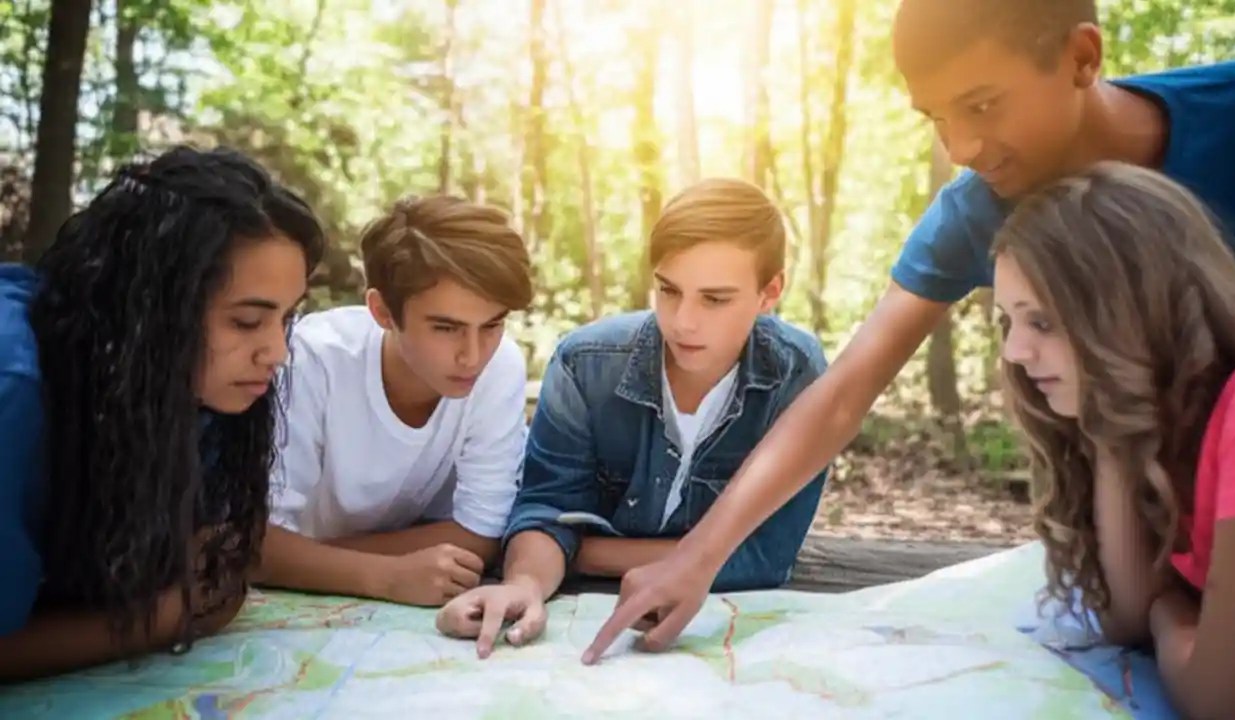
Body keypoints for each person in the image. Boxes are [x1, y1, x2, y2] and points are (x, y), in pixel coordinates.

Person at [583, 0, 1235, 663]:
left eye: (981, 105)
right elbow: (842, 395)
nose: (962, 147)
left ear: (1081, 56)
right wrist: (695, 557)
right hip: (1181, 549)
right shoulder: (977, 210)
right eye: (935, 119)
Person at [435, 178, 829, 657]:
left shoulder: (797, 372)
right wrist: (524, 583)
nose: (683, 320)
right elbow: (544, 508)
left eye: (715, 299)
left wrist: (577, 551)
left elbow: (766, 556)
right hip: (580, 615)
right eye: (668, 290)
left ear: (769, 293)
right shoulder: (586, 363)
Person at [0, 146, 325, 680]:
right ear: (149, 306)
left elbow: (212, 560)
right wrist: (163, 619)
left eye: (286, 319)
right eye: (246, 322)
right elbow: (196, 594)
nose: (278, 352)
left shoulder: (188, 388)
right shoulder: (16, 390)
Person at [993, 163, 1235, 718]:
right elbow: (1125, 615)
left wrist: (1167, 611)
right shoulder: (1185, 420)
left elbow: (1231, 702)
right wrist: (1112, 424)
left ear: (1131, 312)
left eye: (1043, 322)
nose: (1015, 353)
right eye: (1009, 322)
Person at [252, 196, 532, 607]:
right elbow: (255, 547)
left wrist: (310, 557)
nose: (473, 355)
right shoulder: (310, 359)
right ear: (382, 311)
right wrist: (386, 576)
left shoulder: (500, 364)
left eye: (491, 325)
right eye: (445, 327)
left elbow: (480, 536)